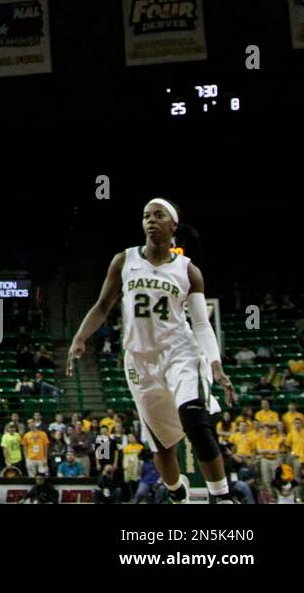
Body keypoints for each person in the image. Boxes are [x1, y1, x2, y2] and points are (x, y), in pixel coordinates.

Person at [69, 198, 236, 504]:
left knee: (195, 421)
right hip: (139, 361)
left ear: (173, 225)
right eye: (146, 216)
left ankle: (222, 497)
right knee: (162, 448)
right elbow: (102, 306)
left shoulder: (189, 271)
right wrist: (80, 337)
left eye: (158, 215)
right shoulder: (124, 260)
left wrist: (215, 363)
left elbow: (200, 324)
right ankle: (176, 491)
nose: (150, 220)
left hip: (180, 353)